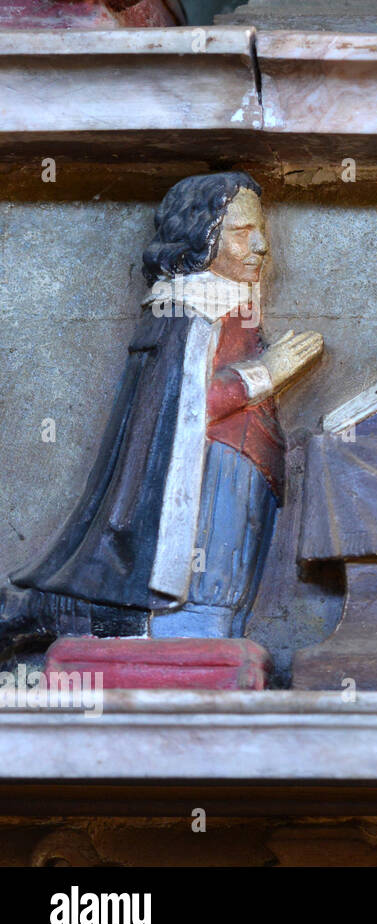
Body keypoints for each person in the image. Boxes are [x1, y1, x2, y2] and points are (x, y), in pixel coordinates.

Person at [0, 172, 323, 648]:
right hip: (210, 472)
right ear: (199, 237)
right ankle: (96, 626)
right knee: (204, 596)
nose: (260, 246)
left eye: (261, 231)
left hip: (243, 464)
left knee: (225, 595)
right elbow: (182, 405)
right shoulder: (185, 311)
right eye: (241, 232)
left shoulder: (228, 307)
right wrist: (266, 373)